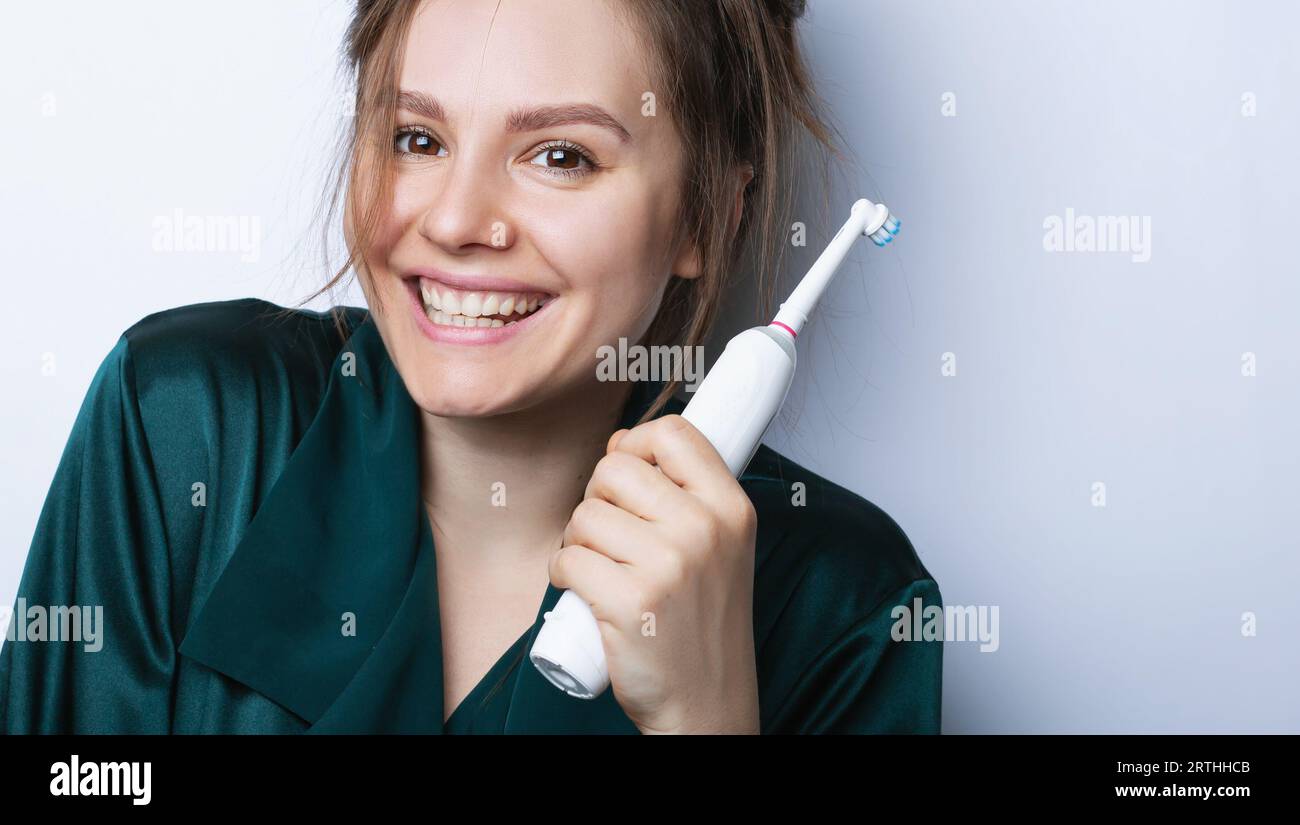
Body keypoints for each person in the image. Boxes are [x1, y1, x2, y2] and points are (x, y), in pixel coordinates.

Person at [0, 0, 941, 734]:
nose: (453, 222)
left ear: (711, 215)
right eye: (419, 139)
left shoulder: (849, 612)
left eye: (561, 156)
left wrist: (707, 722)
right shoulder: (180, 427)